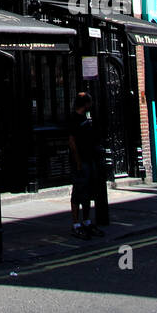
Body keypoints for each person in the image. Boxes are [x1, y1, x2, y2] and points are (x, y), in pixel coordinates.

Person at [68, 91, 103, 240]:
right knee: (78, 193)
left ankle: (87, 221)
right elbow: (72, 142)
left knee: (88, 192)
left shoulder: (86, 118)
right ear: (85, 104)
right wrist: (78, 162)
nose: (92, 105)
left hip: (89, 160)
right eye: (90, 102)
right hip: (80, 162)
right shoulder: (74, 119)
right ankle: (76, 224)